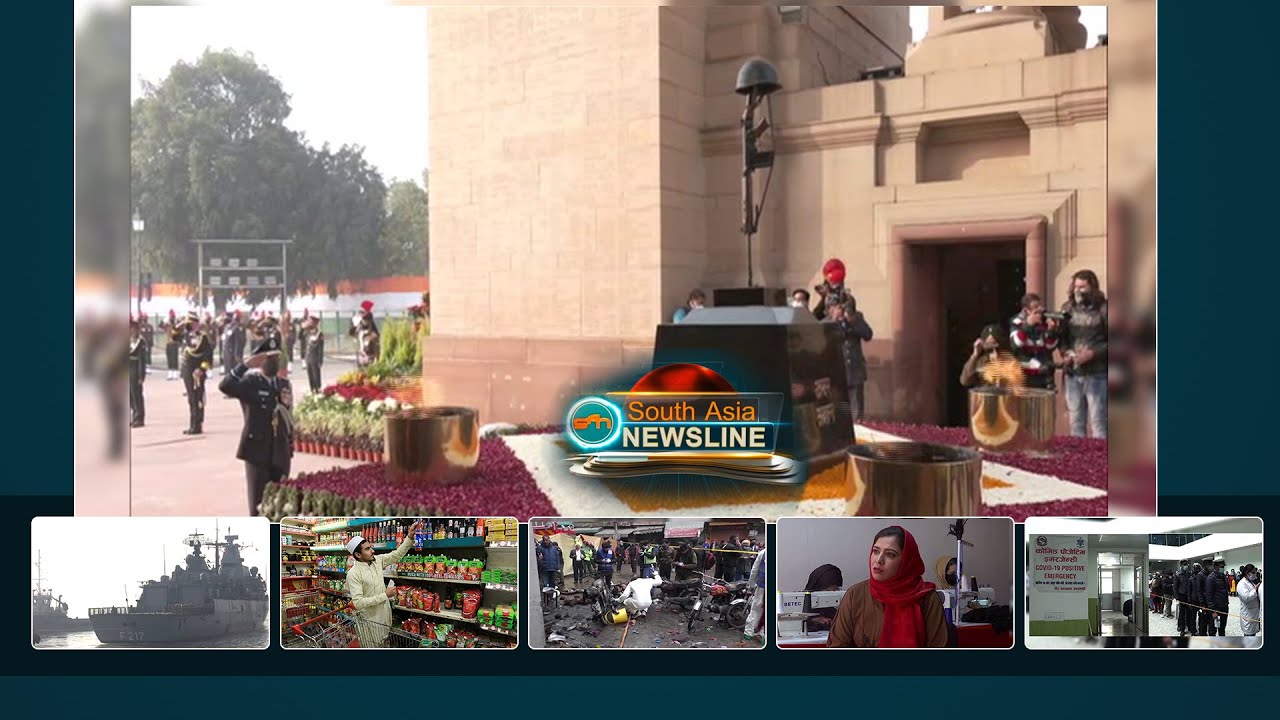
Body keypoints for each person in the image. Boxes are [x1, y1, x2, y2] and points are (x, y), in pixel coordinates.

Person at [828, 526, 948, 648]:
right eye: (875, 551)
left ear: (906, 560)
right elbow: (837, 645)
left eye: (890, 554)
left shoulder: (927, 598)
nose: (878, 560)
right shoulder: (855, 595)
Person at [218, 333, 294, 516]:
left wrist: (291, 443)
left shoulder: (284, 384)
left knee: (281, 502)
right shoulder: (250, 382)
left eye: (276, 357)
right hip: (257, 450)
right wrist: (245, 365)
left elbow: (289, 416)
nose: (274, 361)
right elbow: (225, 385)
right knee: (258, 503)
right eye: (269, 358)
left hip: (280, 450)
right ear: (260, 361)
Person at [344, 520, 425, 647]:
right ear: (358, 554)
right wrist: (384, 595)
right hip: (369, 621)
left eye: (371, 547)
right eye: (367, 549)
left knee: (383, 643)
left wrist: (409, 537)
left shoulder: (377, 561)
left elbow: (397, 554)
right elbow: (358, 603)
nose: (372, 551)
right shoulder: (354, 574)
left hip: (384, 615)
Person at [1059, 269, 1108, 438]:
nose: (1078, 290)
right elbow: (1062, 338)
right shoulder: (1067, 308)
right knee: (1076, 423)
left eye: (1082, 287)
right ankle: (1079, 463)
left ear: (1092, 287)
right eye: (1075, 287)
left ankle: (1101, 462)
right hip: (1073, 373)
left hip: (1097, 374)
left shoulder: (1105, 309)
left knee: (1099, 423)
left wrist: (1093, 353)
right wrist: (1066, 353)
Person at [827, 298, 874, 422]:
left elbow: (868, 334)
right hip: (836, 372)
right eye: (837, 307)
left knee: (856, 411)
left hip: (854, 370)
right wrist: (834, 320)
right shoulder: (827, 322)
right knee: (838, 412)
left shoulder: (856, 319)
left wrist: (851, 321)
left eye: (844, 307)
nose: (840, 310)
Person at [1009, 293, 1060, 390]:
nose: (1039, 309)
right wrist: (1028, 325)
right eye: (1035, 307)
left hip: (1043, 375)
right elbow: (1016, 344)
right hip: (1024, 375)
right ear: (1026, 310)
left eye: (1040, 306)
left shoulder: (1044, 322)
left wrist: (1051, 331)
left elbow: (1050, 347)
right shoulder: (1017, 322)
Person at [179, 312, 214, 435]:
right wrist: (179, 325)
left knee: (197, 398)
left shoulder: (203, 338)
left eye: (191, 323)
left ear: (196, 324)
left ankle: (197, 425)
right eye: (188, 324)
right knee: (191, 399)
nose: (189, 325)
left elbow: (207, 356)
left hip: (196, 372)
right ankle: (192, 424)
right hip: (187, 372)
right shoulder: (187, 336)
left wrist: (202, 369)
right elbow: (173, 336)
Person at [803, 564, 844, 632]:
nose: (831, 594)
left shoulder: (832, 611)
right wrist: (813, 620)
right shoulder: (800, 607)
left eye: (836, 590)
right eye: (827, 590)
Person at [743, 545, 767, 642]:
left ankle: (749, 632)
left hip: (761, 586)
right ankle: (763, 634)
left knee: (755, 609)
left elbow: (754, 570)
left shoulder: (763, 553)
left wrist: (751, 585)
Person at [350, 300, 380, 369]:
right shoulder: (359, 320)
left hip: (370, 340)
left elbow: (374, 330)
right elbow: (353, 331)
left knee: (374, 341)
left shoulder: (369, 319)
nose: (367, 321)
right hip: (362, 338)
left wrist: (376, 335)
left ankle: (375, 357)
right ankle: (363, 351)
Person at [128, 318, 146, 428]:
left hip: (135, 369)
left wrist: (141, 375)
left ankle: (139, 417)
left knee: (137, 394)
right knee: (129, 395)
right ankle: (134, 415)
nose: (131, 331)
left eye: (133, 329)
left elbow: (141, 360)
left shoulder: (140, 342)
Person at [1206, 558, 1229, 637]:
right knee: (1213, 630)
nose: (1223, 568)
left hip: (1224, 607)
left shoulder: (1223, 576)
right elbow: (1209, 595)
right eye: (1222, 566)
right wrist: (1213, 611)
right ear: (1216, 566)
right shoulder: (1211, 578)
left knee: (1222, 628)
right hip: (1216, 608)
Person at [302, 314, 325, 393]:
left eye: (311, 321)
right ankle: (312, 390)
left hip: (315, 358)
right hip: (308, 357)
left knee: (316, 376)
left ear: (315, 323)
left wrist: (320, 360)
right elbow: (305, 344)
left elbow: (320, 348)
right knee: (310, 376)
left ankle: (317, 390)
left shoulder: (319, 333)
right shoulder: (307, 332)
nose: (309, 323)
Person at [1238, 564, 1260, 637]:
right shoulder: (1242, 584)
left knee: (1253, 634)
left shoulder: (1251, 581)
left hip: (1254, 613)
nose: (1255, 574)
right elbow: (1246, 597)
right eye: (1253, 572)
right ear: (1248, 573)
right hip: (1248, 614)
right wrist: (1255, 590)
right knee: (1248, 636)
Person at [1175, 559, 1193, 636]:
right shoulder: (1177, 574)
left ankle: (1189, 626)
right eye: (1185, 564)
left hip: (1189, 596)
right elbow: (1175, 587)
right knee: (1182, 613)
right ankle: (1182, 629)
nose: (1186, 565)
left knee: (1189, 612)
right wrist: (1176, 597)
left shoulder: (1189, 573)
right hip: (1181, 596)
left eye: (1187, 564)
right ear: (1181, 565)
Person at [1191, 561, 1208, 636]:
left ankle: (1201, 631)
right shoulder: (1191, 579)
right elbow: (1189, 590)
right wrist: (1189, 600)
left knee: (1201, 617)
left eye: (1197, 568)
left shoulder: (1202, 576)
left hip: (1201, 600)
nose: (1196, 569)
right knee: (1193, 616)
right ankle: (1193, 630)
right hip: (1194, 600)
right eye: (1195, 568)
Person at [164, 309, 181, 380]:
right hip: (168, 343)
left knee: (174, 358)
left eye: (172, 317)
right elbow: (160, 325)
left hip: (175, 343)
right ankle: (170, 372)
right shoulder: (167, 325)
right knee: (169, 358)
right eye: (170, 317)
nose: (171, 318)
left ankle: (175, 373)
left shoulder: (176, 325)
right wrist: (166, 320)